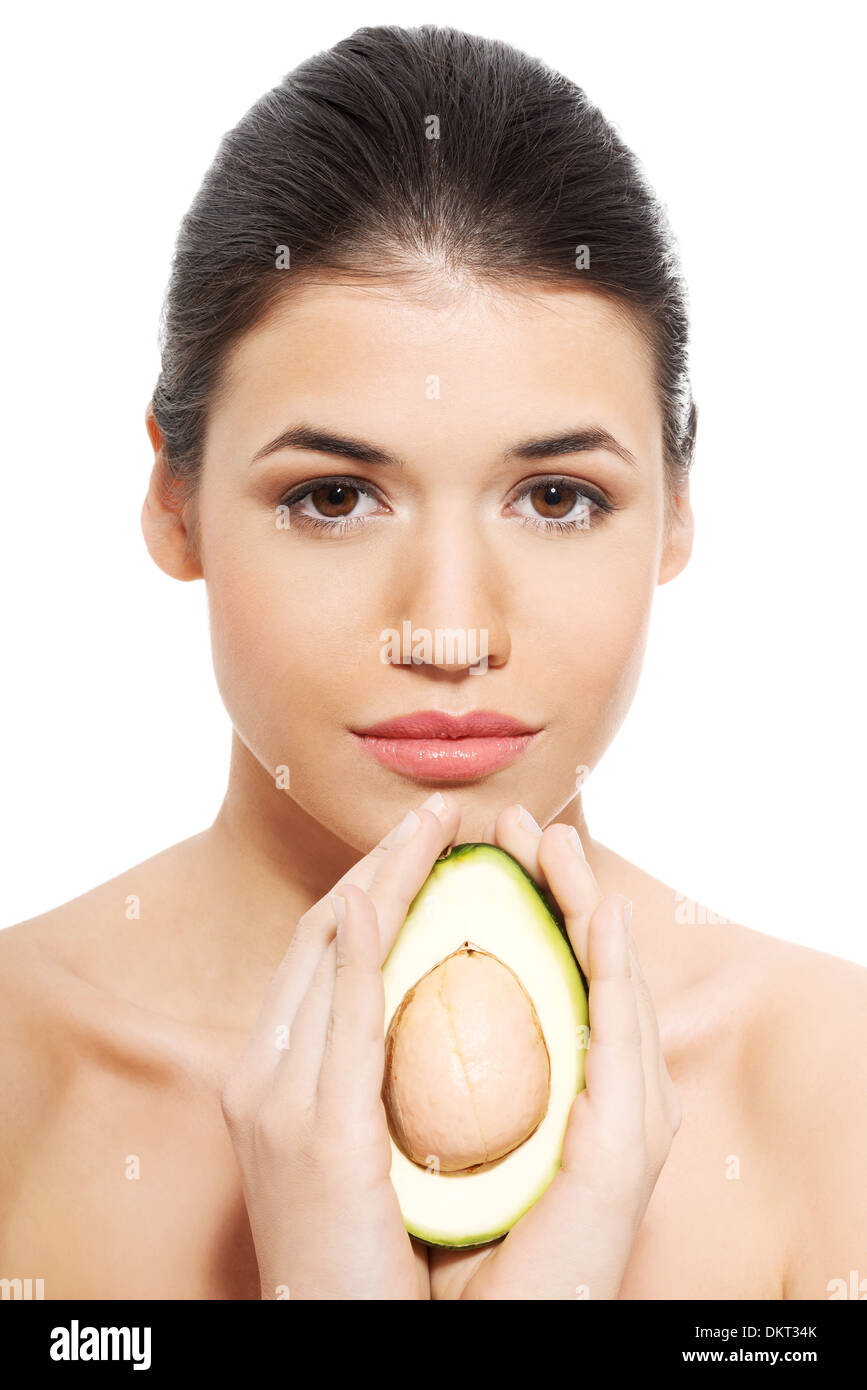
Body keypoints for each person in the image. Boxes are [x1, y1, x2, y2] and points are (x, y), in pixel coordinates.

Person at [1, 23, 864, 1301]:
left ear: (678, 508)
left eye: (558, 496)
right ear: (173, 502)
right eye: (337, 497)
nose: (451, 631)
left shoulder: (832, 1096)